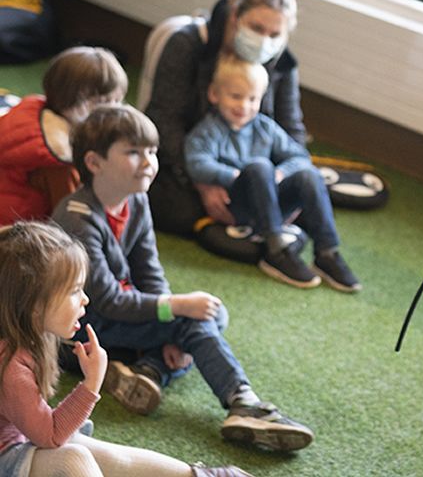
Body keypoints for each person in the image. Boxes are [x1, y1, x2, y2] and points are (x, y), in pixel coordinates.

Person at [52, 104, 315, 452]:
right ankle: (242, 402)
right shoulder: (78, 218)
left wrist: (171, 314)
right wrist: (175, 309)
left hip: (116, 320)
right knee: (194, 321)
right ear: (94, 162)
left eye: (151, 151)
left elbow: (149, 271)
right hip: (79, 331)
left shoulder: (136, 200)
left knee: (210, 314)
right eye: (133, 152)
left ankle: (149, 371)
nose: (148, 162)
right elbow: (108, 301)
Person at [0, 221, 253, 476]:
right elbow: (51, 435)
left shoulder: (26, 336)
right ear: (34, 305)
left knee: (91, 448)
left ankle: (199, 475)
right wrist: (91, 383)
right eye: (74, 291)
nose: (85, 299)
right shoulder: (13, 368)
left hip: (18, 438)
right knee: (73, 458)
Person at [146, 0, 306, 237]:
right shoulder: (188, 43)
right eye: (256, 28)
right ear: (234, 16)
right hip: (191, 160)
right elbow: (164, 120)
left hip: (255, 170)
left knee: (307, 194)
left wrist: (286, 180)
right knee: (178, 209)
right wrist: (202, 182)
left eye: (275, 34)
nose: (265, 40)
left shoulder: (283, 62)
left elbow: (292, 128)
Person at [184, 55, 361, 292]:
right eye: (235, 96)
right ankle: (275, 250)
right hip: (237, 204)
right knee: (259, 166)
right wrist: (232, 175)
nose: (244, 106)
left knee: (309, 175)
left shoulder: (265, 127)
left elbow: (300, 156)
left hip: (271, 202)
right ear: (214, 94)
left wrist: (281, 173)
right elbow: (197, 163)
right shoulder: (208, 130)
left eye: (252, 99)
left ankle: (327, 252)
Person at [0, 46, 128, 225]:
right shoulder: (59, 159)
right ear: (69, 100)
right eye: (102, 102)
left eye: (118, 101)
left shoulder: (40, 110)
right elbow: (75, 219)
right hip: (17, 232)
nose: (113, 111)